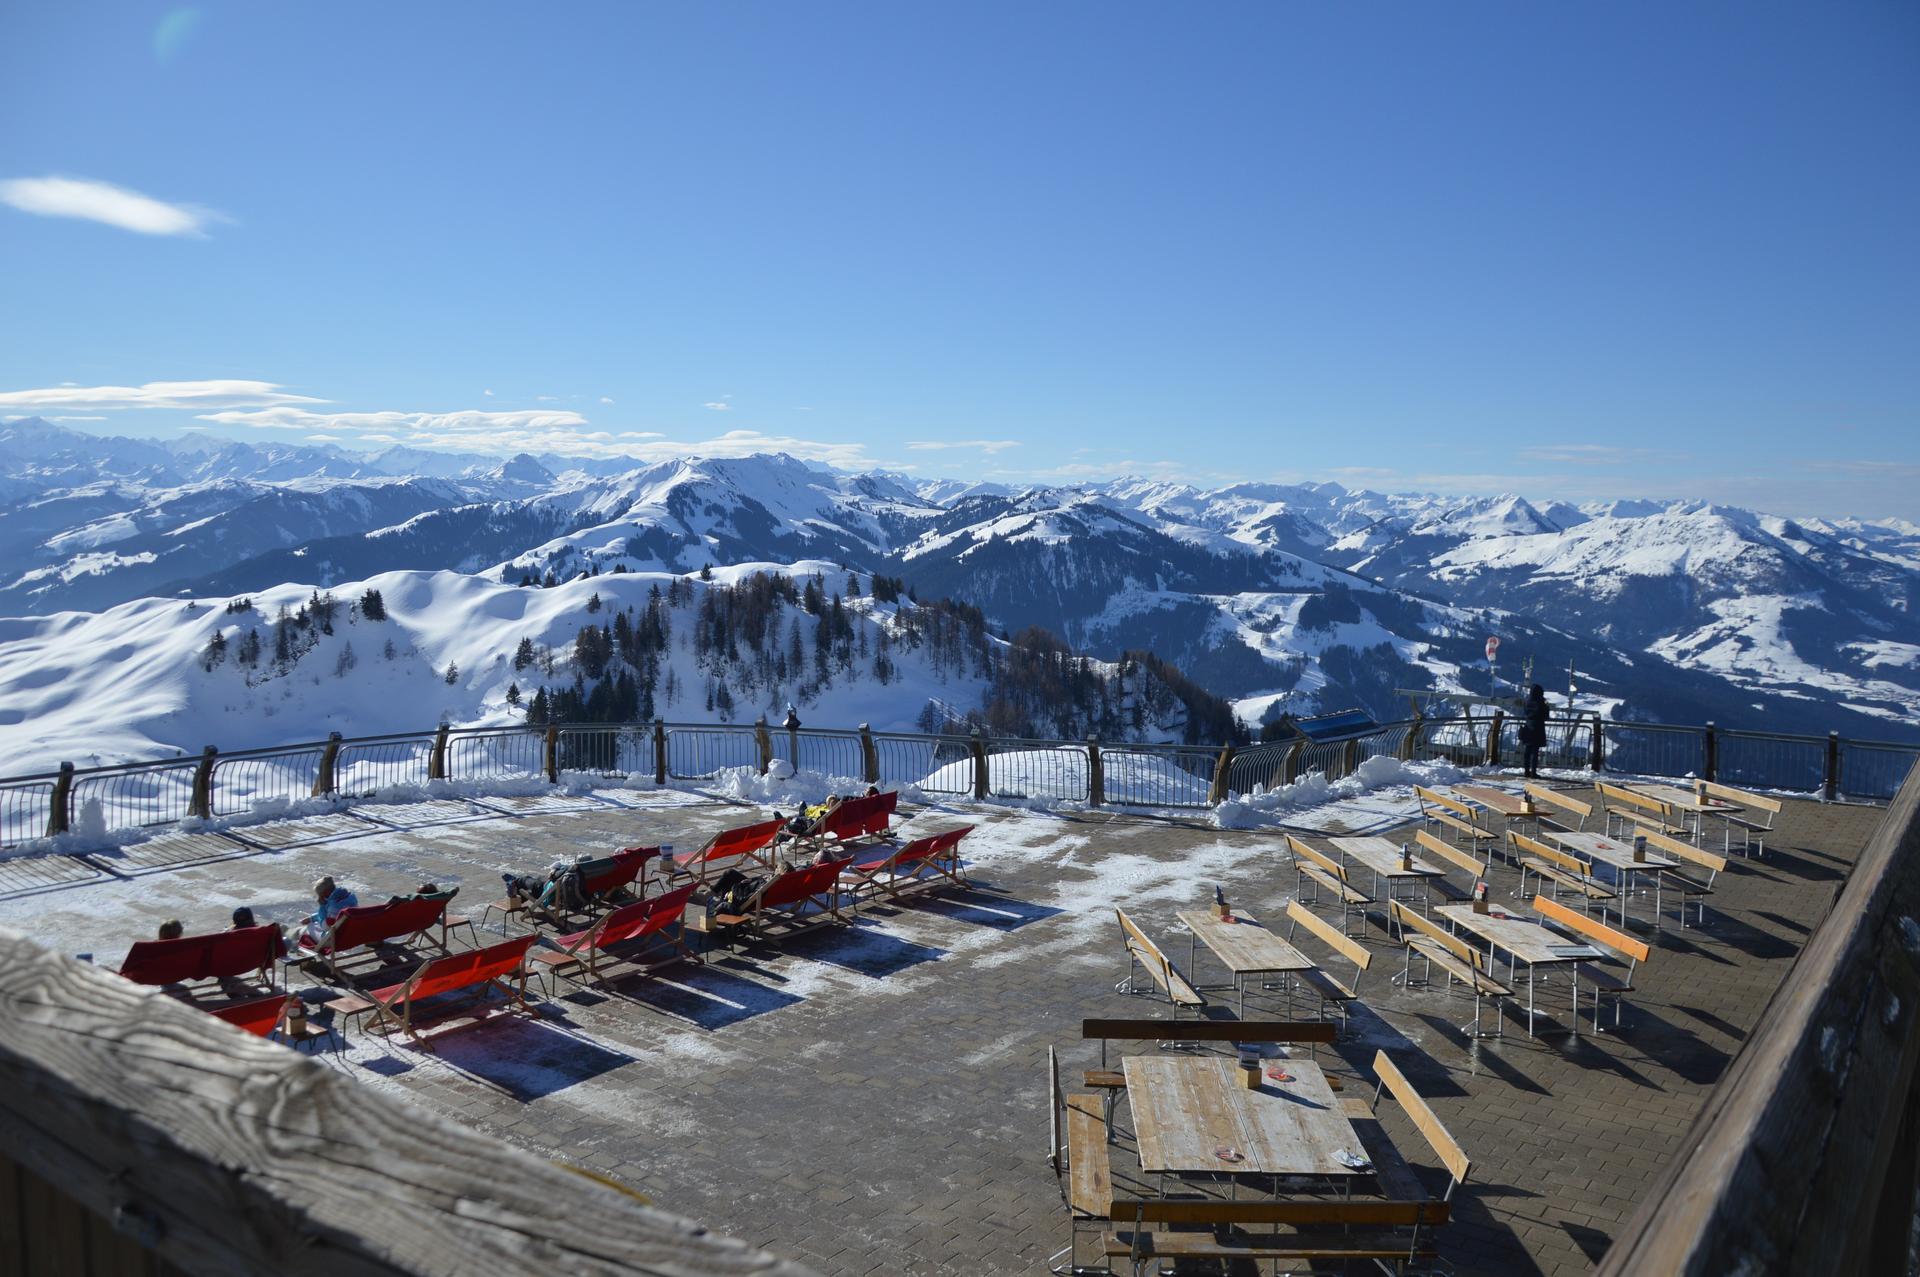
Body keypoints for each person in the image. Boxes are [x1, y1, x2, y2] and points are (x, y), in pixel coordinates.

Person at [295, 876, 358, 950]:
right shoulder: (349, 897)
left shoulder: (334, 905)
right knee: (313, 923)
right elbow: (332, 917)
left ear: (326, 892)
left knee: (309, 927)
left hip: (337, 939)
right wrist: (312, 918)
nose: (320, 897)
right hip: (352, 933)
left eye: (321, 895)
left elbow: (326, 926)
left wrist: (322, 907)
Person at [1521, 684, 1550, 779]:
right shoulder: (1541, 702)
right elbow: (1545, 715)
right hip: (1538, 728)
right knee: (1535, 752)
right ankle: (1533, 772)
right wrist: (1547, 706)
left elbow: (1525, 712)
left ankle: (1526, 771)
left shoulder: (1527, 701)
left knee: (1527, 752)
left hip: (1528, 727)